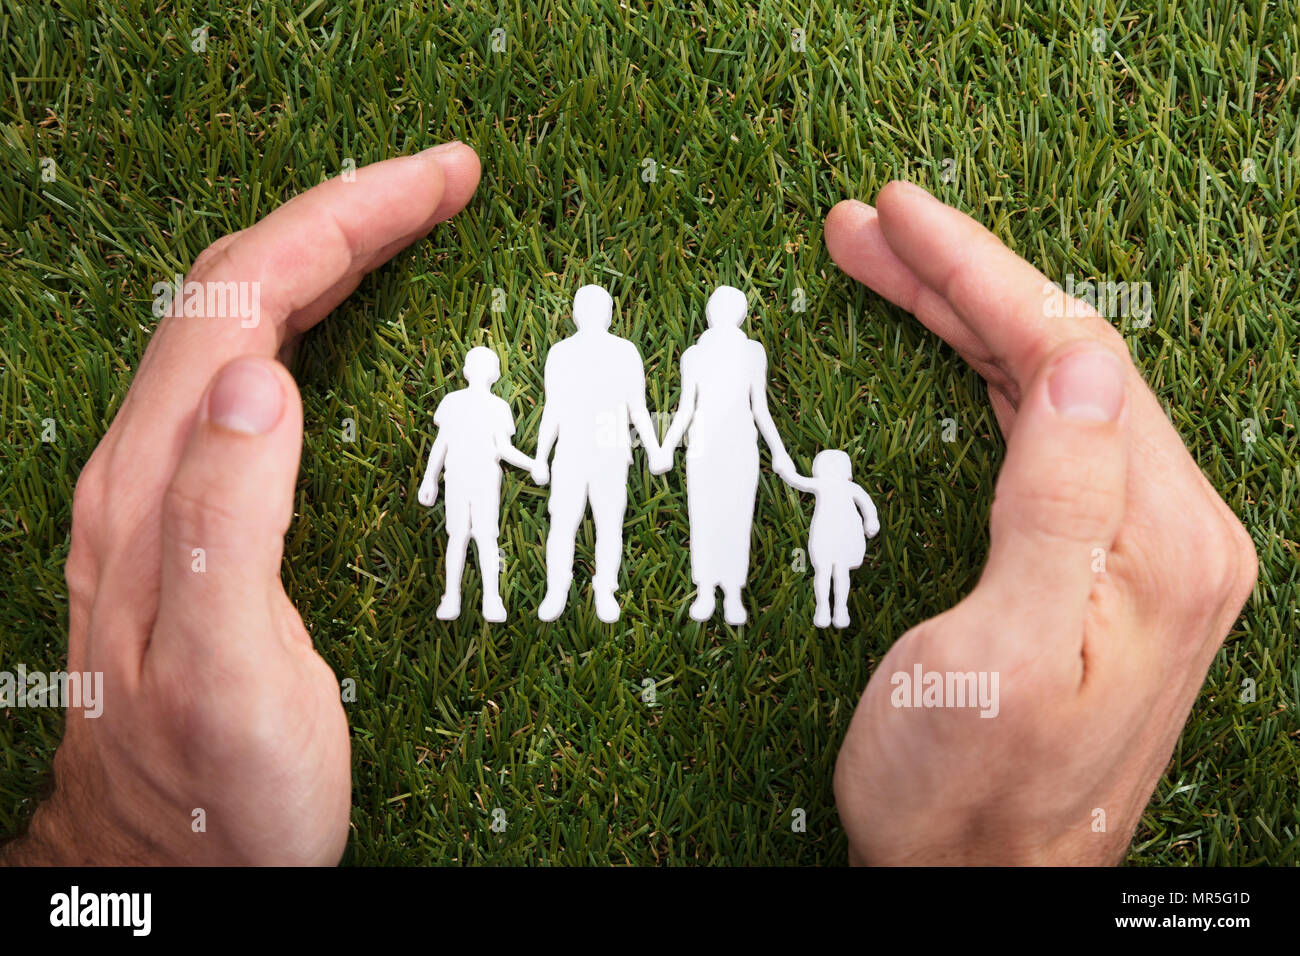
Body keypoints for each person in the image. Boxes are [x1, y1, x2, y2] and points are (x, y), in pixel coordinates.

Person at [0, 149, 1257, 866]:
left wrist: (131, 849)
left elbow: (749, 425)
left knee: (644, 532)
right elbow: (534, 431)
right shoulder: (552, 371)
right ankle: (548, 581)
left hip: (651, 453)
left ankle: (618, 578)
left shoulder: (728, 359)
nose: (608, 320)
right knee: (545, 535)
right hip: (593, 454)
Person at [651, 285, 795, 625]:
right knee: (716, 514)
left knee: (724, 514)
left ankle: (728, 593)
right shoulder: (696, 356)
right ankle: (711, 592)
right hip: (709, 445)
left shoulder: (750, 353)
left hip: (733, 445)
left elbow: (758, 407)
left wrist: (779, 452)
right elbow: (687, 408)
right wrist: (668, 448)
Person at [530, 285, 661, 624]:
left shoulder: (624, 351)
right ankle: (557, 588)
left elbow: (638, 408)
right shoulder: (561, 353)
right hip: (572, 451)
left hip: (609, 452)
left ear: (607, 313)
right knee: (564, 520)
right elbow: (553, 409)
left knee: (607, 522)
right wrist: (541, 456)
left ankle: (605, 590)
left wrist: (654, 450)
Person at [417, 346, 534, 623]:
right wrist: (429, 478)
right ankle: (452, 597)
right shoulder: (453, 402)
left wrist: (531, 464)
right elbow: (441, 443)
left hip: (483, 479)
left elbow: (504, 449)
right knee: (459, 536)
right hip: (458, 477)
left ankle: (491, 598)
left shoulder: (498, 408)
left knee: (485, 537)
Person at [775, 449, 880, 629]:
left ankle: (841, 609)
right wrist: (785, 471)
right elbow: (798, 481)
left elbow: (866, 504)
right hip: (824, 534)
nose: (833, 468)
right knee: (823, 571)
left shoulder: (851, 488)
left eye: (837, 464)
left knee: (841, 572)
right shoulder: (820, 484)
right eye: (828, 464)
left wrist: (871, 519)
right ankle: (822, 608)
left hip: (846, 534)